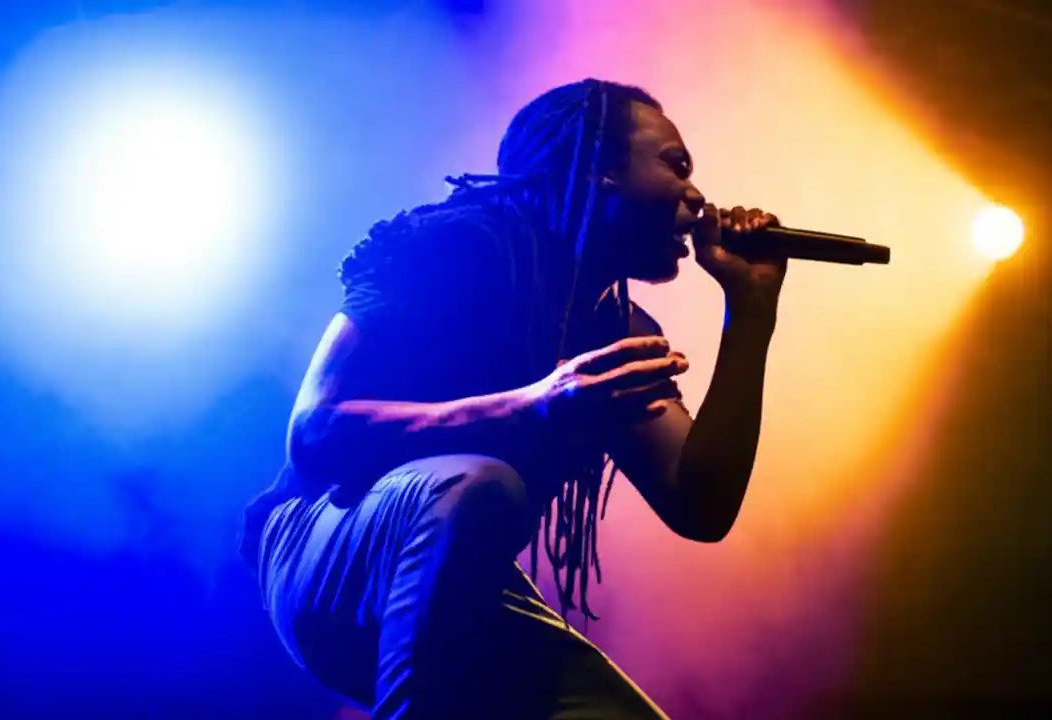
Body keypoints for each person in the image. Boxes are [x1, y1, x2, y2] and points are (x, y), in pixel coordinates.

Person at [242, 78, 787, 719]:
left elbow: (699, 505)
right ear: (602, 169)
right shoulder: (461, 244)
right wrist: (532, 406)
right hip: (323, 544)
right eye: (676, 166)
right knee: (480, 484)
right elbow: (313, 435)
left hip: (455, 582)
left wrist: (750, 314)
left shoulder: (621, 328)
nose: (697, 197)